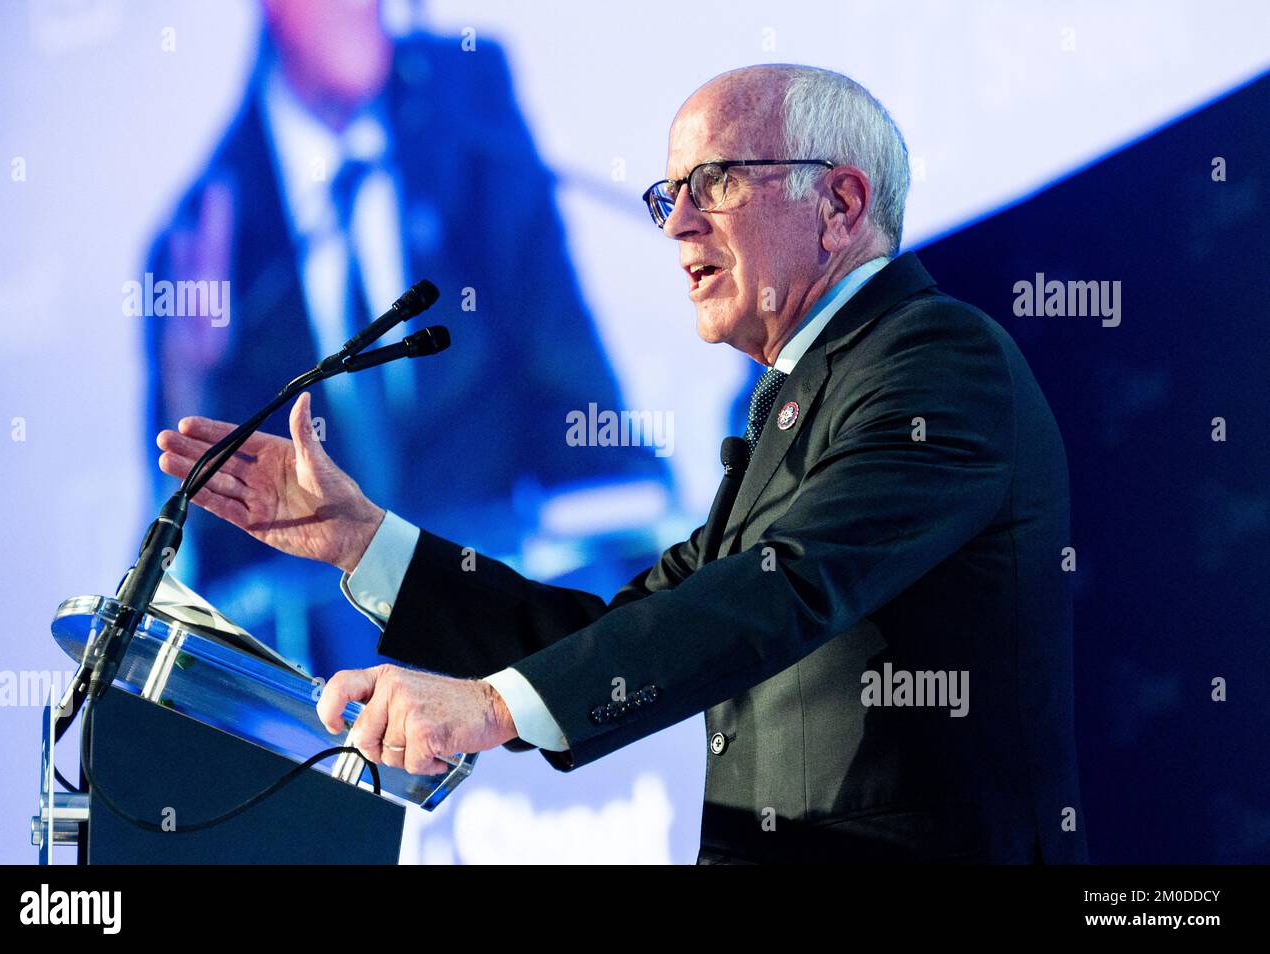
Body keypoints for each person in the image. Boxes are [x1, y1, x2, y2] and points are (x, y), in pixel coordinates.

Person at [158, 64, 1087, 863]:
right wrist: (365, 543)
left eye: (713, 182)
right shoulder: (802, 398)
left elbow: (785, 592)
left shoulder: (934, 357)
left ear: (839, 204)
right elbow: (619, 628)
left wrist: (490, 707)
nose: (676, 224)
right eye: (667, 194)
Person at [143, 0, 659, 676]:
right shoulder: (203, 245)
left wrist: (669, 584)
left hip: (505, 663)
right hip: (332, 711)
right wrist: (191, 380)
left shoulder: (470, 115)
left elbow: (574, 403)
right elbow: (202, 569)